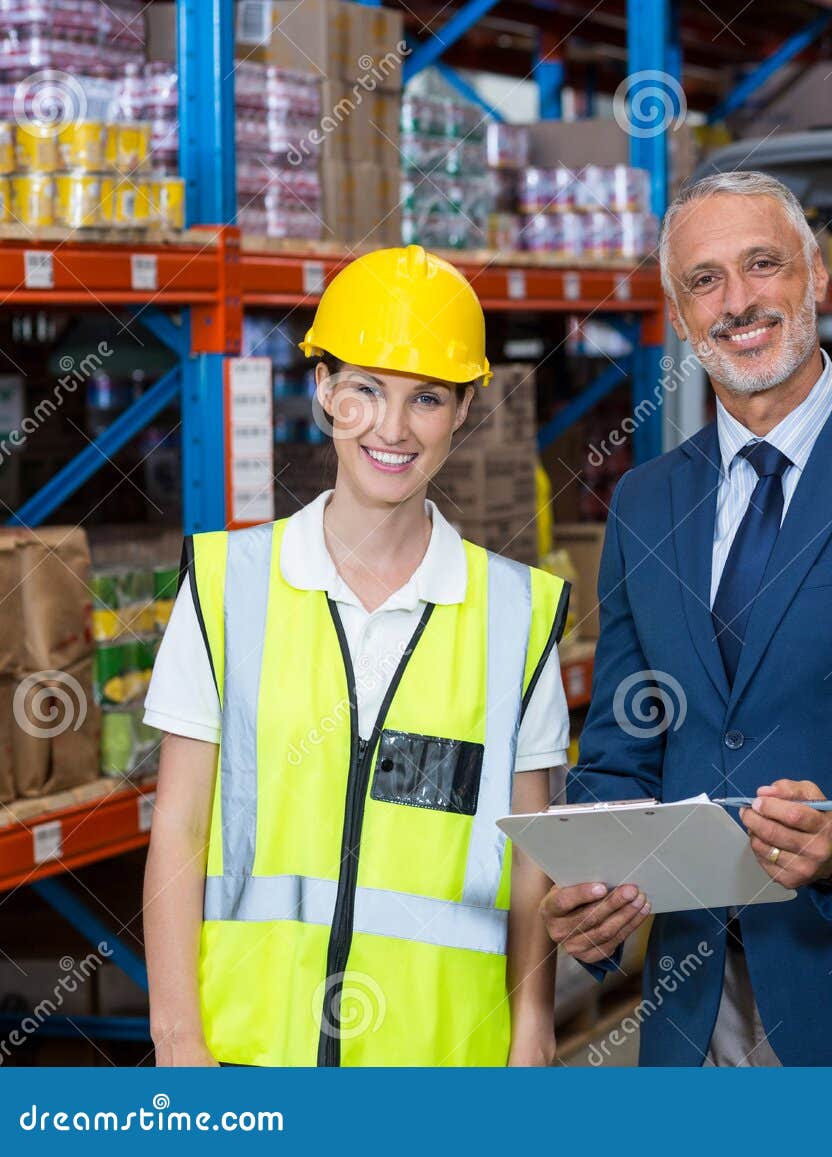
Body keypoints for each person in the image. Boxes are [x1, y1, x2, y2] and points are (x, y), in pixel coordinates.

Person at [543, 171, 832, 1066]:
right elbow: (620, 749)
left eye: (763, 264)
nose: (738, 301)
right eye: (705, 280)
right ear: (680, 318)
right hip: (697, 1012)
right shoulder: (647, 503)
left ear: (816, 276)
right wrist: (593, 888)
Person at [141, 246, 570, 1067]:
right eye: (366, 388)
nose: (393, 428)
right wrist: (177, 1037)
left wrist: (531, 1032)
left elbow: (530, 861)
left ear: (465, 407)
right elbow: (180, 829)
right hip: (249, 1057)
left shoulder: (518, 614)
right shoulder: (229, 588)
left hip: (445, 1065)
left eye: (428, 398)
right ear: (323, 389)